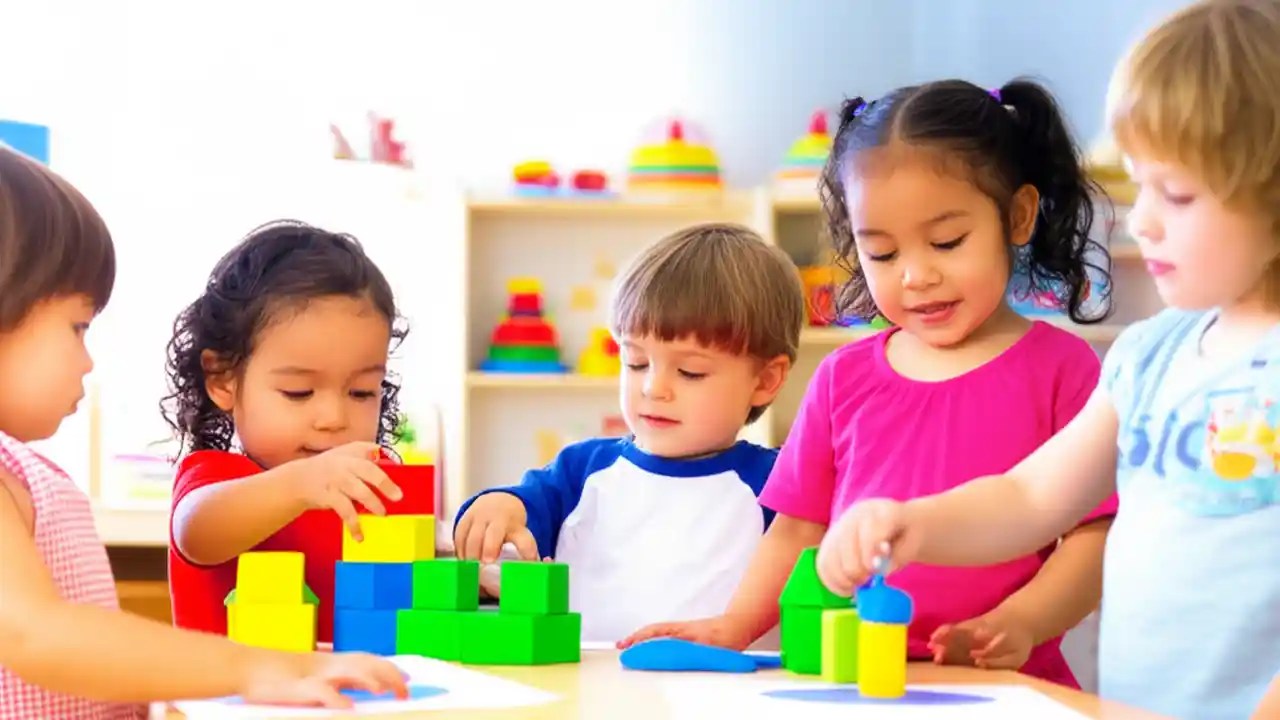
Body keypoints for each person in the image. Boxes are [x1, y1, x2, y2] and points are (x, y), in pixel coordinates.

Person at [814, 2, 1280, 717]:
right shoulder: (1148, 357)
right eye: (1139, 182)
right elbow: (1031, 498)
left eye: (1177, 193)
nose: (1143, 218)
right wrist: (915, 524)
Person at [622, 78, 1118, 688]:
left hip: (1006, 678)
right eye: (881, 254)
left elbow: (1092, 538)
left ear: (1016, 216)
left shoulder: (1066, 371)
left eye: (946, 242)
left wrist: (1017, 623)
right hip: (854, 676)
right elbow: (798, 528)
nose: (915, 276)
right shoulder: (843, 377)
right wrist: (734, 625)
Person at [0, 146, 406, 718]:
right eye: (78, 326)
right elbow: (34, 636)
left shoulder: (24, 473)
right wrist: (261, 665)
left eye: (362, 391)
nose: (88, 360)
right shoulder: (218, 479)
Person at [453, 223, 806, 643]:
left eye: (690, 371)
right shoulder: (582, 471)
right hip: (587, 697)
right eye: (636, 362)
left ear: (765, 380)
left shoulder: (779, 483)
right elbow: (517, 511)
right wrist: (497, 506)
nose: (653, 388)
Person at [162, 220, 409, 644]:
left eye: (362, 391)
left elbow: (405, 580)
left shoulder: (373, 483)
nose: (333, 417)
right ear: (222, 379)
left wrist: (466, 574)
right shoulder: (217, 476)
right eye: (299, 392)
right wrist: (301, 484)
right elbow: (194, 531)